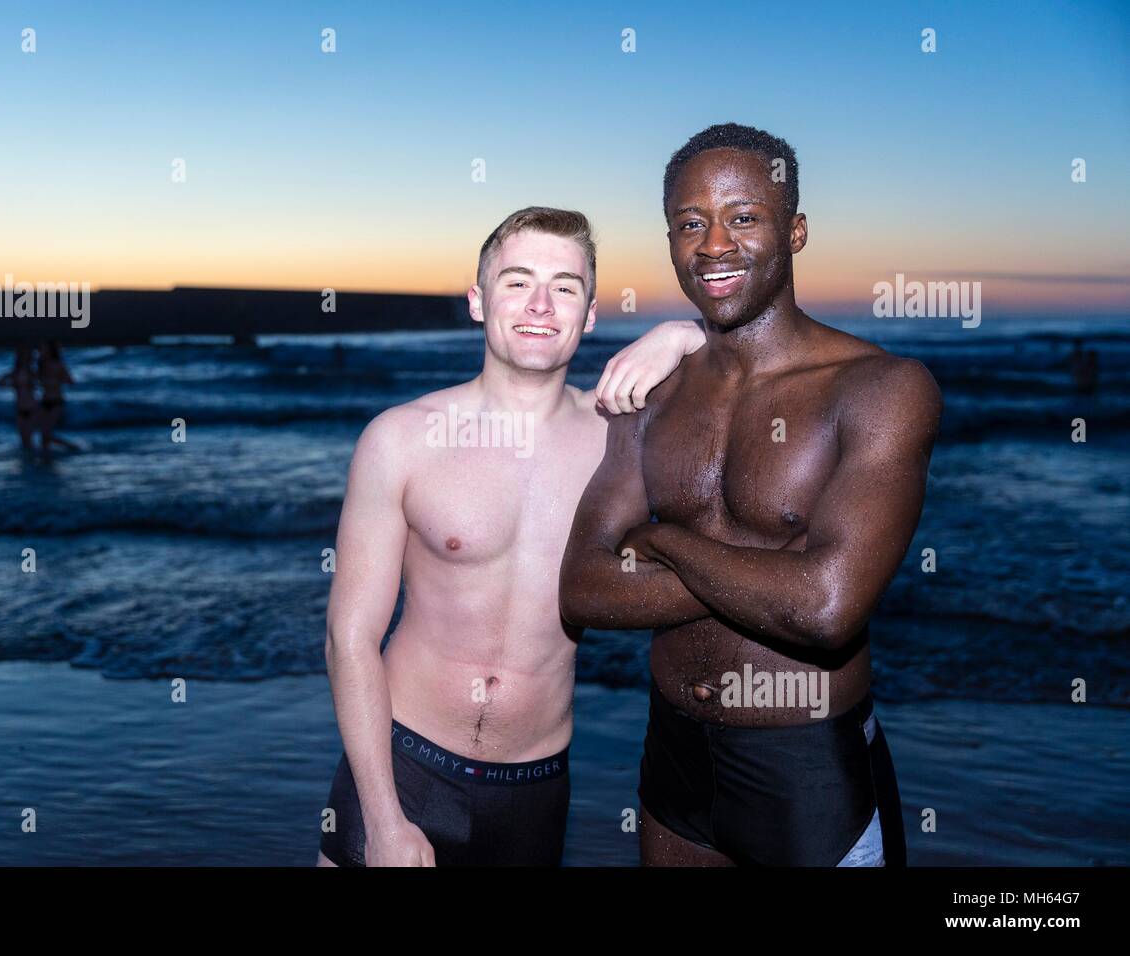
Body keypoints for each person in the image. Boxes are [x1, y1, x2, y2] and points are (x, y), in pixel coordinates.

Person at [560, 124, 942, 867]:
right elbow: (582, 589)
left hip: (803, 769)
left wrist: (663, 541)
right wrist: (773, 570)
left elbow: (825, 610)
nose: (713, 244)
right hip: (672, 755)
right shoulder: (654, 393)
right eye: (690, 223)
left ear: (794, 231)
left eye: (743, 217)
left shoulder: (881, 389)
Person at [319, 206, 706, 867]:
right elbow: (349, 636)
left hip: (533, 788)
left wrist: (684, 333)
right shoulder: (401, 439)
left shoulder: (623, 443)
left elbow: (765, 375)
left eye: (565, 287)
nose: (540, 305)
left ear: (587, 316)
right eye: (517, 280)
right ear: (478, 301)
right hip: (401, 765)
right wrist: (384, 820)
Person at [36, 340, 78, 456]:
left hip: (56, 401)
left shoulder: (58, 364)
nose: (41, 351)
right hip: (44, 400)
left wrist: (55, 381)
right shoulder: (40, 364)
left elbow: (71, 381)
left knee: (47, 433)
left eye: (44, 348)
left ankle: (71, 446)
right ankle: (46, 457)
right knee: (44, 435)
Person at [0, 344, 38, 451]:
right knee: (23, 438)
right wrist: (12, 385)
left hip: (31, 406)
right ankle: (28, 461)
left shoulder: (31, 372)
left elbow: (43, 381)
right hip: (20, 407)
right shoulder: (16, 373)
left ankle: (31, 460)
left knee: (29, 437)